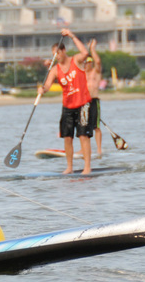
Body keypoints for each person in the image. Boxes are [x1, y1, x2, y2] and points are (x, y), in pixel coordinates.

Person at [38, 28, 93, 174]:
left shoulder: (76, 60)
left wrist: (72, 35)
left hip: (83, 104)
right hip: (68, 107)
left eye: (57, 53)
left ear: (63, 51)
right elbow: (48, 85)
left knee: (83, 135)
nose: (55, 56)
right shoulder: (55, 70)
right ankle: (69, 167)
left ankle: (87, 167)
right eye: (53, 55)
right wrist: (42, 90)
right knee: (67, 137)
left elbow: (85, 53)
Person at [84, 39, 103, 156]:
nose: (88, 64)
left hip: (94, 101)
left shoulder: (95, 72)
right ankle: (86, 149)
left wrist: (92, 49)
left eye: (90, 62)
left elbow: (98, 61)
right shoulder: (82, 73)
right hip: (84, 102)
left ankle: (99, 149)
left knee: (96, 127)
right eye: (86, 62)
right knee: (84, 128)